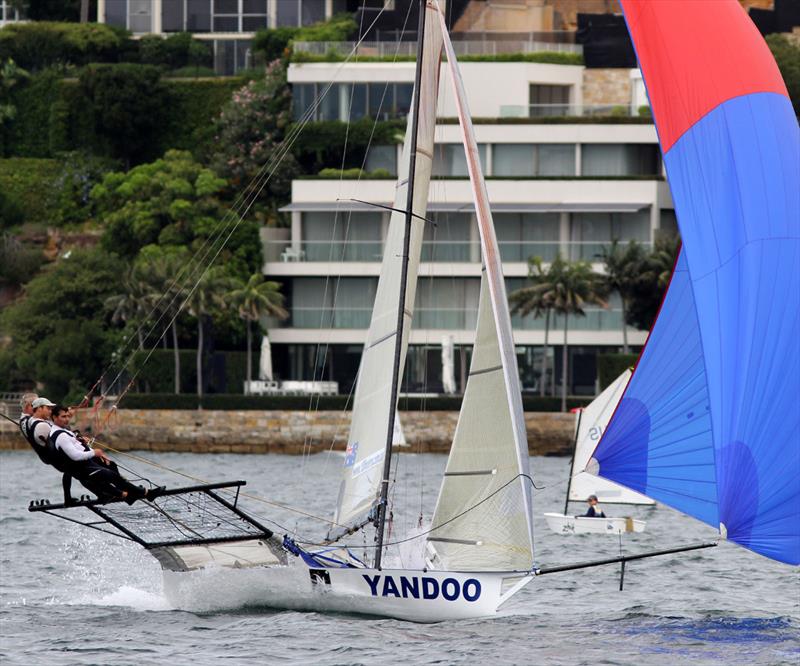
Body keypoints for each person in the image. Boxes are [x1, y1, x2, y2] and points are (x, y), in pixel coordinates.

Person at [48, 404, 163, 505]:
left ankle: (128, 495)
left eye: (68, 416)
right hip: (83, 470)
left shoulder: (62, 431)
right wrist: (94, 452)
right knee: (111, 476)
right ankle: (146, 494)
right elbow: (75, 456)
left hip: (87, 465)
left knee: (111, 469)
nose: (67, 419)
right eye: (63, 417)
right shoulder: (60, 435)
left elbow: (74, 443)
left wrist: (82, 440)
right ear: (54, 417)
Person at [20, 396, 76, 504]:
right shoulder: (33, 422)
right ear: (31, 407)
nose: (50, 411)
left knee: (70, 469)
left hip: (45, 453)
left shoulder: (26, 420)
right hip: (49, 453)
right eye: (48, 408)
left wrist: (62, 415)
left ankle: (68, 497)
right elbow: (55, 433)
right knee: (75, 467)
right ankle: (68, 498)